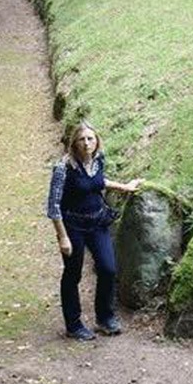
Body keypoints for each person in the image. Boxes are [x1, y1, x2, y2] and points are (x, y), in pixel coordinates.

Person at [46, 121, 143, 340]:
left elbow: (97, 182)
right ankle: (74, 325)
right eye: (82, 139)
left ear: (96, 140)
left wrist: (124, 187)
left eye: (90, 138)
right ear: (74, 143)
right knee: (73, 274)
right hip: (73, 227)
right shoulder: (63, 168)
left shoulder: (99, 160)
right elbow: (53, 206)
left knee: (108, 269)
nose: (87, 143)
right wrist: (63, 237)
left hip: (98, 223)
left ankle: (105, 317)